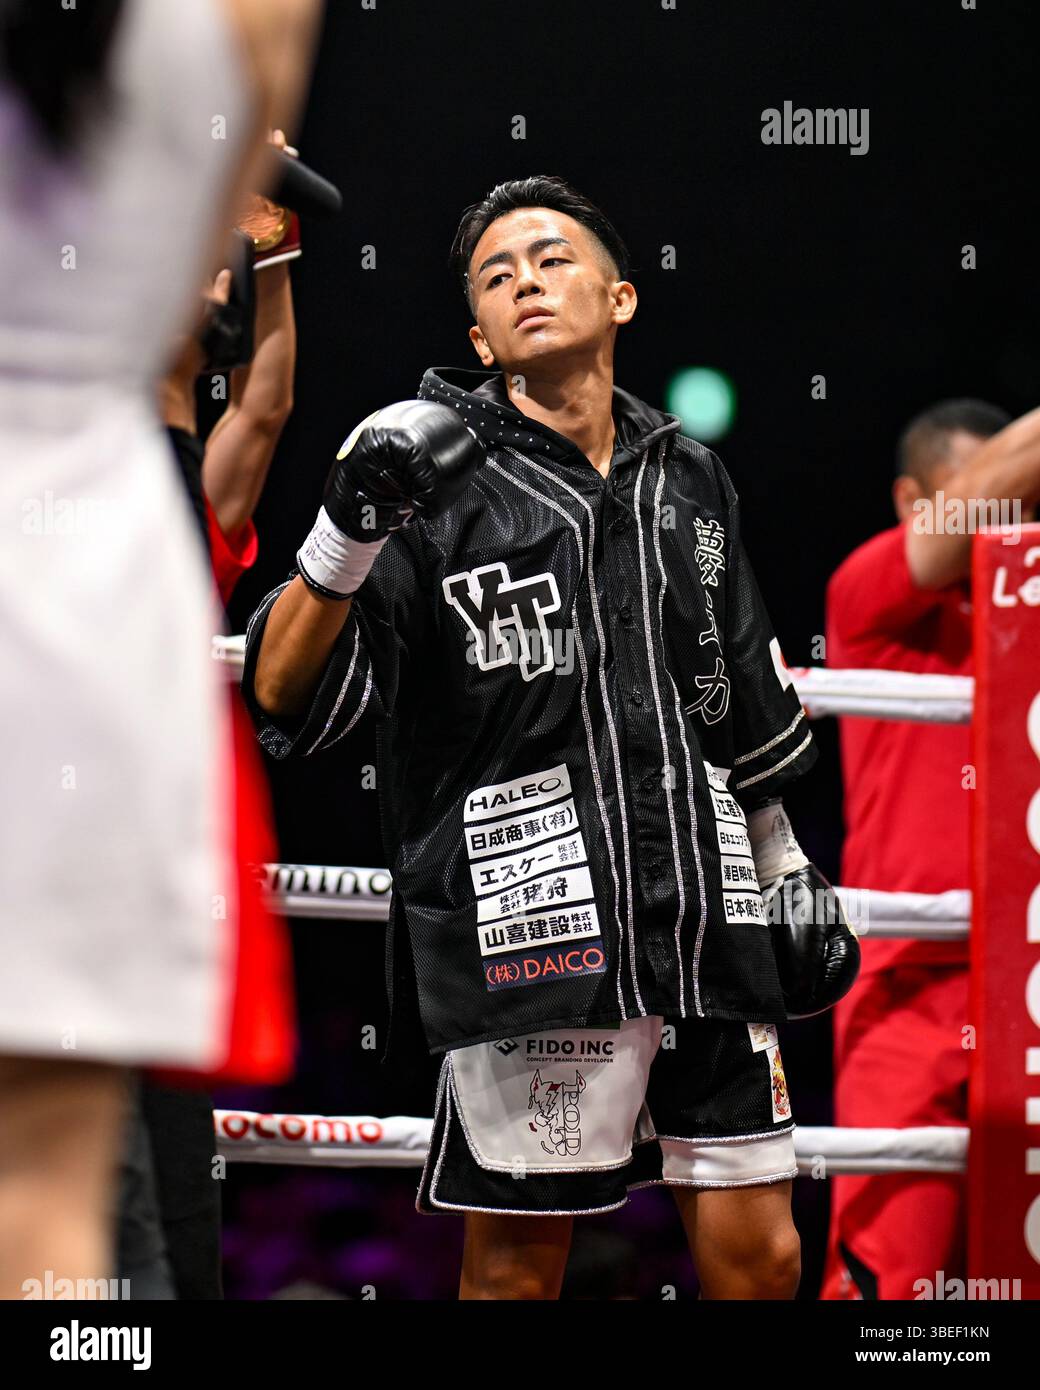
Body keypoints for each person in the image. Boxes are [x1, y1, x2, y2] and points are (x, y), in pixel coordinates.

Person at [244, 176, 856, 1300]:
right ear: (477, 335)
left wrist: (782, 860)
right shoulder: (423, 478)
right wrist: (345, 530)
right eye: (495, 274)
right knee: (520, 1271)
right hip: (535, 923)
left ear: (620, 297)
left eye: (551, 257)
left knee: (760, 1255)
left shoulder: (689, 478)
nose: (524, 278)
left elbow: (740, 702)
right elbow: (289, 695)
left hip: (705, 907)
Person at [0, 0, 320, 1299]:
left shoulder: (191, 459)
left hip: (92, 622)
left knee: (103, 1201)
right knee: (55, 1203)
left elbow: (272, 393)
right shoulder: (215, 49)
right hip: (90, 634)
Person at [821, 397, 1040, 1299]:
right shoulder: (872, 592)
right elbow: (983, 496)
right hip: (911, 985)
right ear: (915, 500)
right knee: (896, 1291)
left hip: (1027, 977)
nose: (1008, 515)